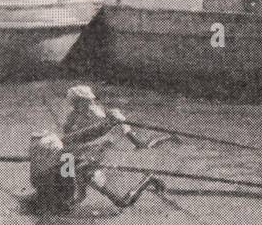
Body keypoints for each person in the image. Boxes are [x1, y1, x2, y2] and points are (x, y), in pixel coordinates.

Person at [24, 128, 165, 215]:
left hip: (85, 170)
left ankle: (148, 179)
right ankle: (103, 146)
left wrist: (77, 194)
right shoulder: (40, 160)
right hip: (71, 168)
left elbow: (70, 193)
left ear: (51, 152)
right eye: (36, 153)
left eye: (42, 153)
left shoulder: (67, 164)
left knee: (122, 203)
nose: (38, 157)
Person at [61, 84, 170, 151]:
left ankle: (169, 137)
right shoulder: (73, 115)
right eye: (75, 103)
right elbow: (67, 135)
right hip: (96, 142)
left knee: (144, 146)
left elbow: (115, 130)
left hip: (117, 138)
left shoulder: (99, 112)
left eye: (80, 102)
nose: (77, 106)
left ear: (87, 101)